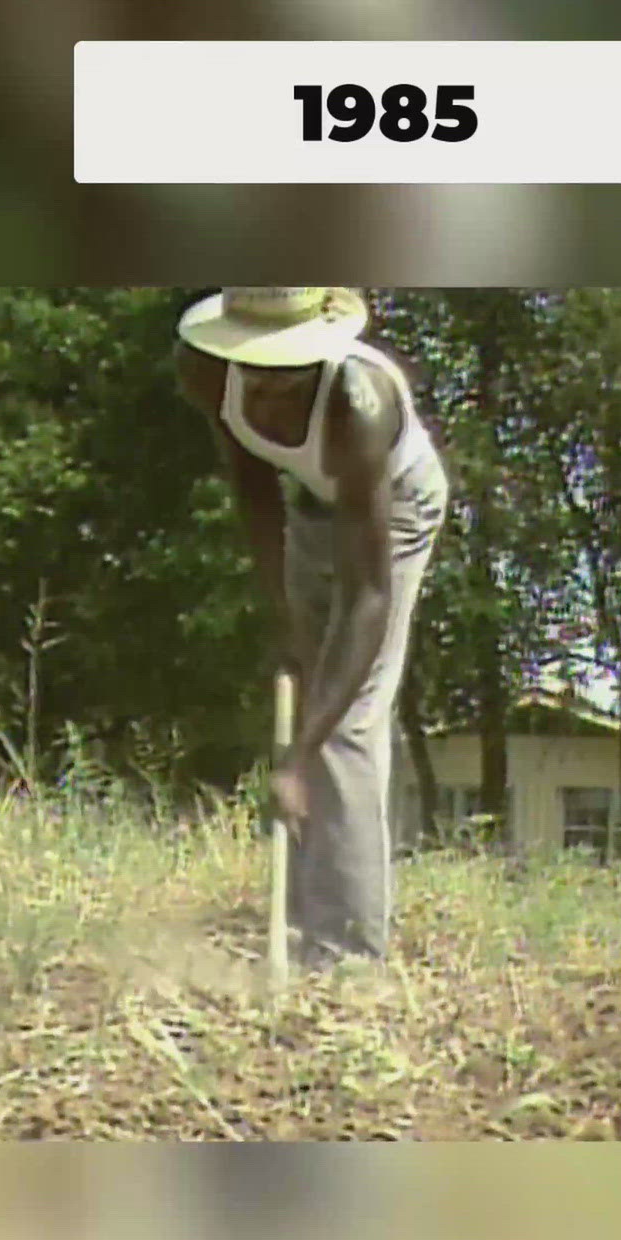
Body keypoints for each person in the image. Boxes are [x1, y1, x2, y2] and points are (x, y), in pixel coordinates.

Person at [175, 287, 448, 974]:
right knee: (301, 677)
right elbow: (254, 488)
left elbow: (369, 596)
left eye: (284, 378)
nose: (264, 397)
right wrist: (285, 617)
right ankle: (302, 918)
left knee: (346, 723)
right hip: (312, 505)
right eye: (254, 374)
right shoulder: (204, 369)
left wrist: (296, 760)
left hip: (397, 507)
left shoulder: (362, 407)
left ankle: (349, 958)